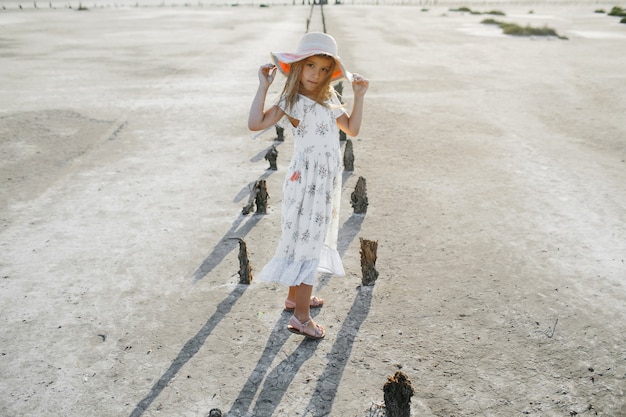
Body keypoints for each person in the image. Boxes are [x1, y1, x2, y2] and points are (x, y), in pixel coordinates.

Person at [248, 32, 369, 340]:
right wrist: (264, 87)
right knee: (307, 243)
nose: (316, 74)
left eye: (324, 68)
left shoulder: (329, 99)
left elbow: (351, 130)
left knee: (303, 238)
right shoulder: (293, 101)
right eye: (311, 65)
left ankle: (294, 298)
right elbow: (256, 123)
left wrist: (359, 96)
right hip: (306, 182)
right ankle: (302, 317)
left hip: (324, 179)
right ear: (299, 65)